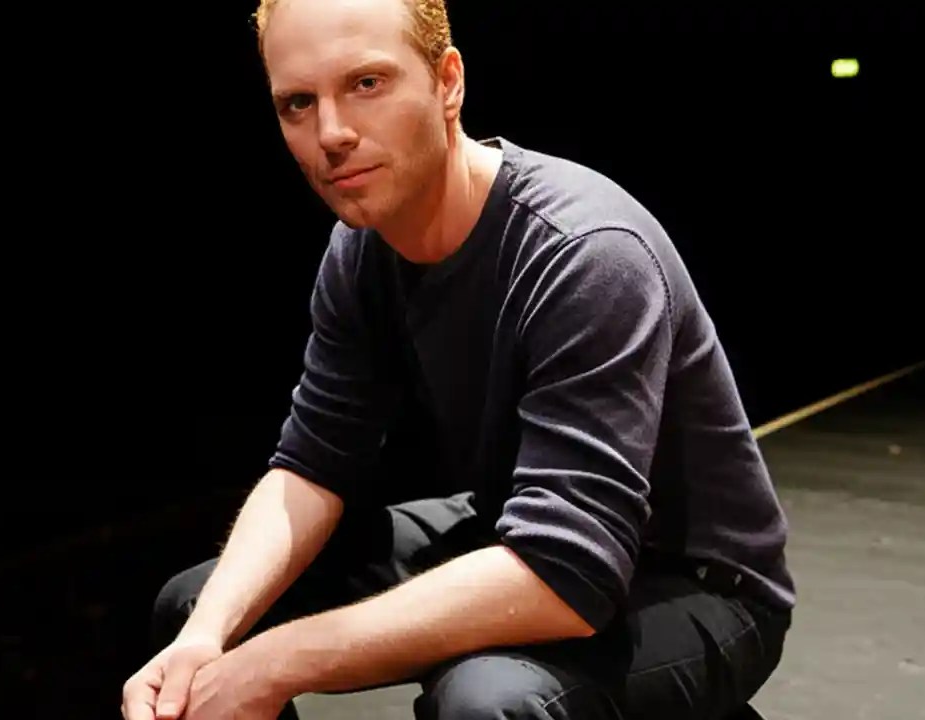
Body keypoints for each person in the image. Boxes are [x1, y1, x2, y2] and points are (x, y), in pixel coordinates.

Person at [122, 0, 795, 718]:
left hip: (697, 584)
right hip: (519, 525)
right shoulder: (361, 249)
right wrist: (206, 639)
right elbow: (312, 465)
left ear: (448, 82)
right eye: (297, 103)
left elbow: (572, 569)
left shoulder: (584, 250)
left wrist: (278, 662)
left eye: (367, 84)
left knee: (485, 702)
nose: (332, 133)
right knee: (198, 609)